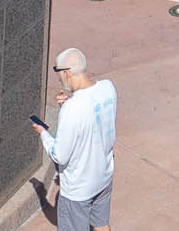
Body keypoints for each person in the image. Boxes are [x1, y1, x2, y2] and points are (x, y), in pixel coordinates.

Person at [34, 47, 117, 231]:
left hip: (78, 189)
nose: (59, 79)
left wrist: (43, 133)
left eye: (59, 74)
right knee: (101, 225)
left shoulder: (72, 110)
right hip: (104, 176)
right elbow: (93, 114)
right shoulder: (108, 88)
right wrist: (69, 103)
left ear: (66, 72)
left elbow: (59, 156)